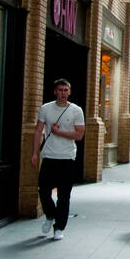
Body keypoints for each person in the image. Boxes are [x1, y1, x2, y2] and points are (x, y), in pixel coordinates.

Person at [31, 78, 86, 240]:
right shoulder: (45, 109)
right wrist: (35, 153)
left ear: (69, 92)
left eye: (65, 90)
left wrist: (59, 133)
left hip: (67, 158)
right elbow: (38, 131)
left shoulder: (76, 111)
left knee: (64, 195)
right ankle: (50, 215)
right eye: (60, 90)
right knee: (44, 191)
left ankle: (59, 227)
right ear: (55, 91)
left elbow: (79, 135)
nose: (62, 93)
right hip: (48, 156)